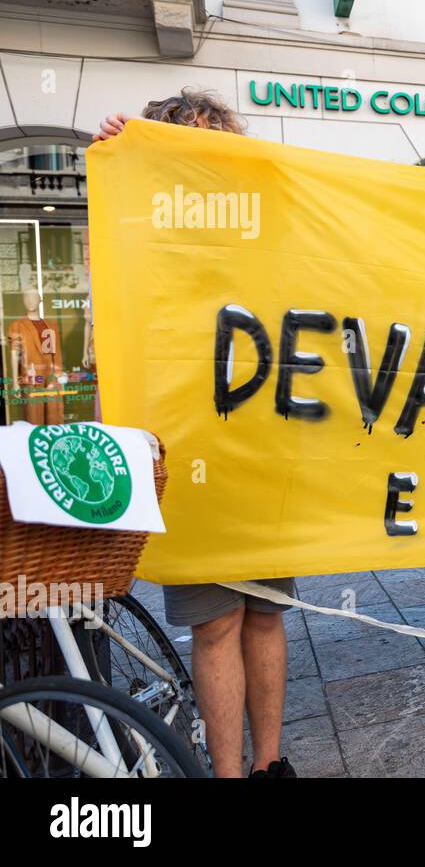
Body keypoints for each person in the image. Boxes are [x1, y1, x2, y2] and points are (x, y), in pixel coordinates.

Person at [94, 89, 297, 779]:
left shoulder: (258, 220)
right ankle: (230, 775)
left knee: (265, 615)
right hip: (191, 450)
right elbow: (115, 273)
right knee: (215, 624)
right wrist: (118, 158)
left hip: (262, 448)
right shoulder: (149, 224)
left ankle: (270, 765)